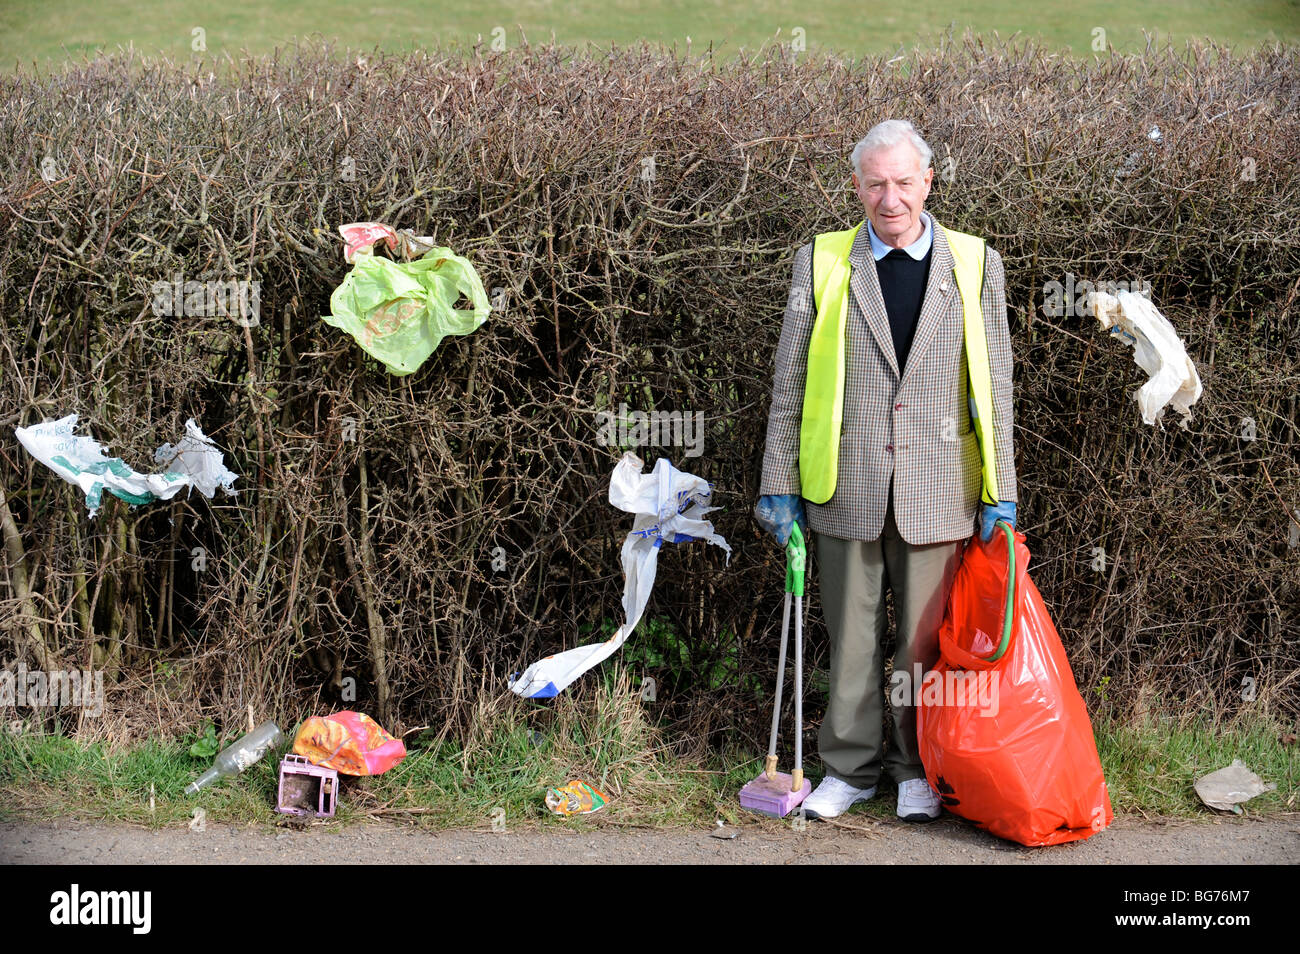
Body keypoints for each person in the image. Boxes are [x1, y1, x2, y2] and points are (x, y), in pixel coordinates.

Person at [755, 119, 1018, 822]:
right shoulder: (821, 262)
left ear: (928, 181)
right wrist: (777, 481)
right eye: (876, 183)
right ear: (857, 187)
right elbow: (788, 384)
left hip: (941, 489)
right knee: (850, 636)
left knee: (923, 646)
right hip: (842, 484)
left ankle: (915, 770)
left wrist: (1003, 493)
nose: (890, 197)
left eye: (904, 181)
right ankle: (848, 769)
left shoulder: (975, 263)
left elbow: (996, 387)